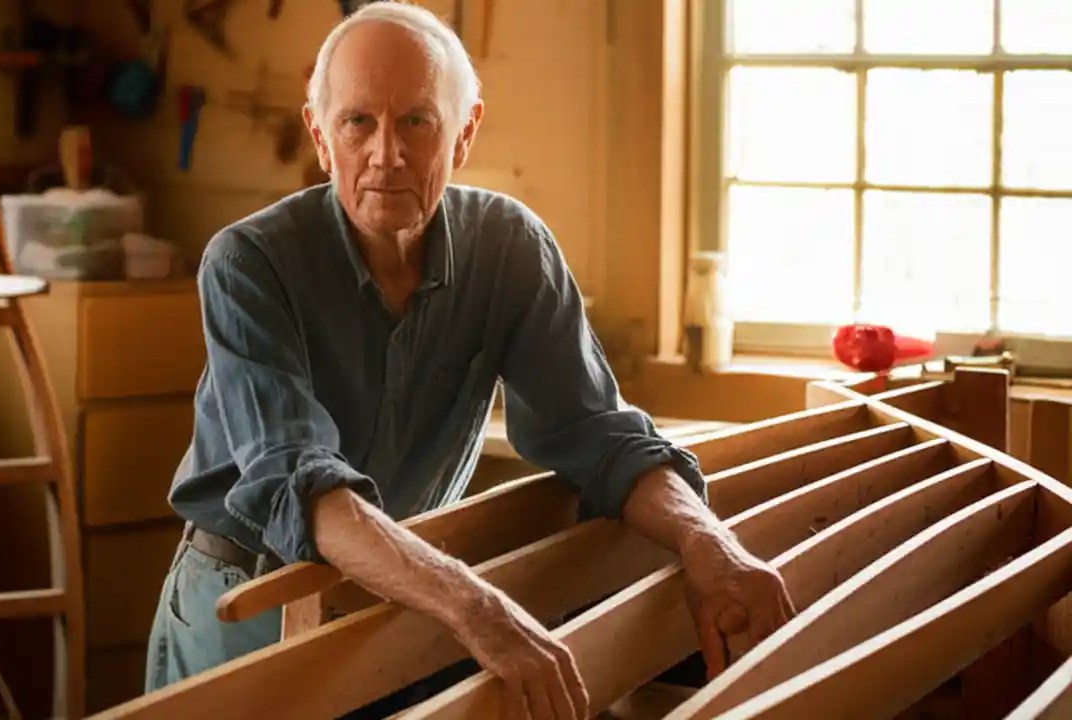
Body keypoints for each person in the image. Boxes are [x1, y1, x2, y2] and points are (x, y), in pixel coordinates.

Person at [145, 3, 796, 718]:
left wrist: (710, 544)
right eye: (357, 121)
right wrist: (483, 608)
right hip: (249, 601)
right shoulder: (248, 263)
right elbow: (301, 488)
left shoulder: (511, 246)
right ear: (320, 136)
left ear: (464, 133)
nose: (385, 153)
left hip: (412, 595)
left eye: (417, 121)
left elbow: (598, 436)